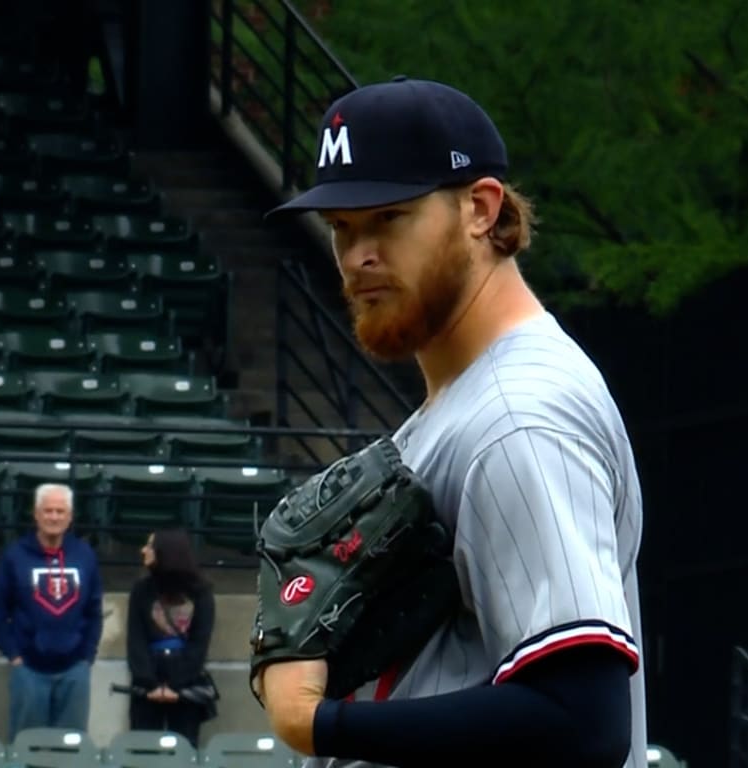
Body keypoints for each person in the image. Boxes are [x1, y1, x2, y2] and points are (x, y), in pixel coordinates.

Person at [254, 76, 646, 767]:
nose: (356, 256)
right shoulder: (462, 406)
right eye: (342, 228)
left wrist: (317, 724)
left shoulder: (519, 420)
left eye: (388, 218)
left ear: (480, 208)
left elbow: (582, 722)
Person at [0, 483, 105, 740]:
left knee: (70, 750)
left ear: (70, 516)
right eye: (48, 510)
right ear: (36, 514)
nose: (54, 517)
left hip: (74, 669)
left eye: (60, 511)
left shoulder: (84, 555)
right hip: (29, 669)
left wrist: (87, 656)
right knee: (26, 747)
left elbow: (94, 611)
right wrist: (14, 655)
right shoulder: (15, 556)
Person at [125, 529, 216, 747]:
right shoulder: (141, 590)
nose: (143, 550)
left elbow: (199, 643)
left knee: (183, 748)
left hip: (186, 684)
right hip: (147, 684)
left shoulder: (201, 593)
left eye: (149, 546)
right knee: (143, 750)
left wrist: (175, 685)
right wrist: (150, 683)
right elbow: (135, 640)